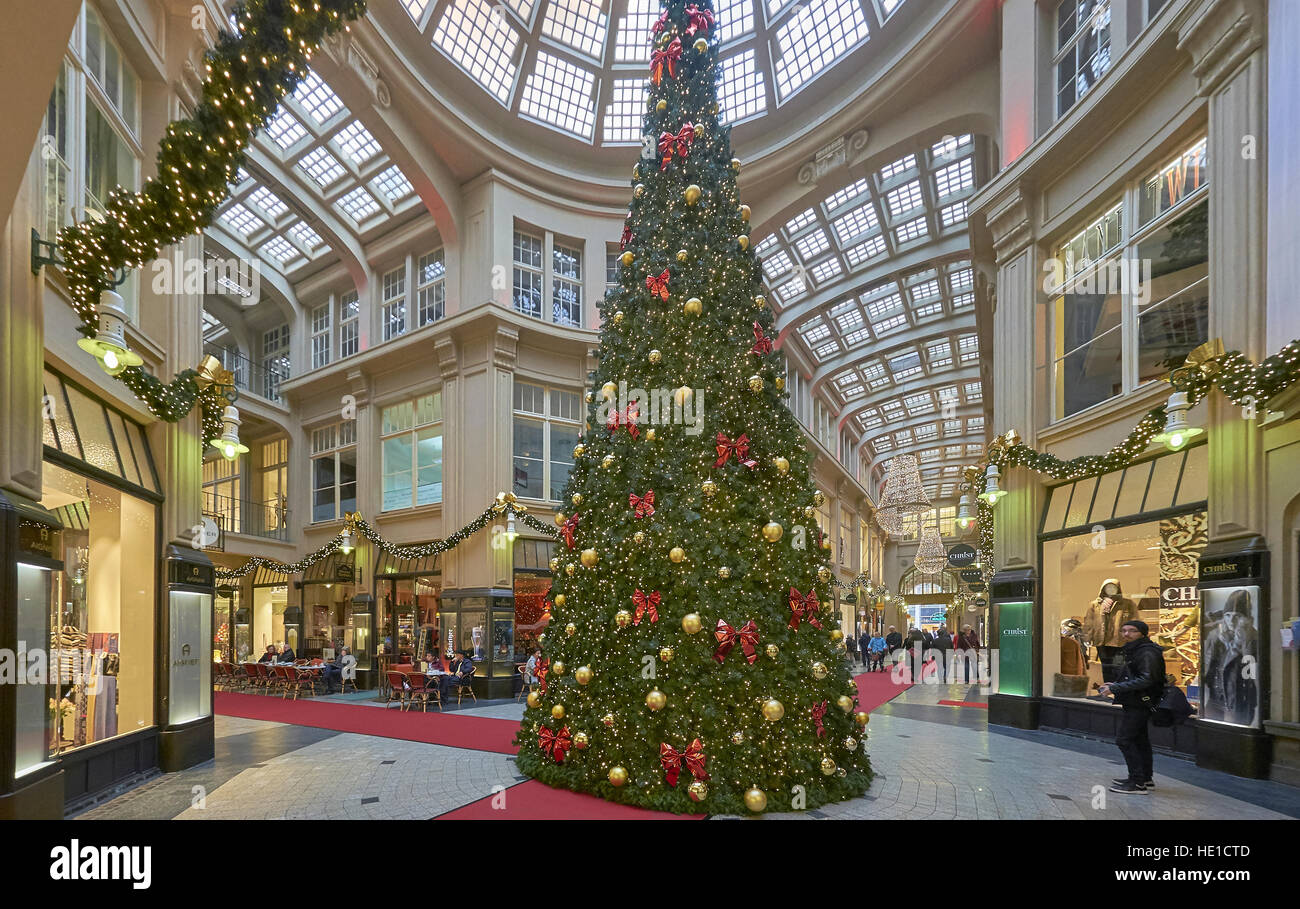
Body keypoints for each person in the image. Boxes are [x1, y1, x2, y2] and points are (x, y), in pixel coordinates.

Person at [1099, 620, 1165, 793]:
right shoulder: (1137, 650)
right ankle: (1145, 778)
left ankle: (1137, 783)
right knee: (1140, 740)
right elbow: (1136, 676)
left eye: (1132, 631)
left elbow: (1147, 678)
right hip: (1137, 700)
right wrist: (1115, 683)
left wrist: (1115, 688)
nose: (1126, 634)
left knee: (1124, 739)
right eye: (1124, 631)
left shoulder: (1147, 652)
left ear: (1142, 633)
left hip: (1140, 702)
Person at [1201, 589, 1258, 726]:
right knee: (1211, 734)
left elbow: (1251, 668)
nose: (1231, 620)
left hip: (1237, 698)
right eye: (1227, 615)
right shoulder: (1216, 635)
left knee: (1233, 737)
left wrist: (1244, 638)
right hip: (1213, 696)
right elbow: (1208, 663)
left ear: (1245, 618)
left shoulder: (1251, 636)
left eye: (1237, 616)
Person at [1083, 579, 1139, 683]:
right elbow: (1089, 623)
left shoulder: (1128, 604)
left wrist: (1134, 638)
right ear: (1103, 589)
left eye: (1114, 587)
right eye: (1107, 587)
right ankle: (1108, 688)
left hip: (1120, 641)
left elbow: (1135, 621)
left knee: (1119, 666)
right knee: (1106, 667)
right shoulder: (1095, 605)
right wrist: (1087, 638)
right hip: (1101, 641)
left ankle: (1119, 688)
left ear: (1119, 589)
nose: (1111, 590)